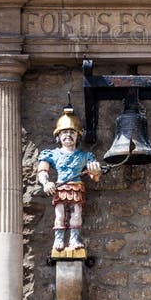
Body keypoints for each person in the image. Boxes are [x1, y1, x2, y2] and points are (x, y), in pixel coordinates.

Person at [37, 105, 101, 252]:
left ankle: (74, 239)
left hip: (77, 187)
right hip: (60, 187)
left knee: (76, 215)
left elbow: (93, 176)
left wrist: (95, 171)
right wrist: (46, 183)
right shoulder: (51, 154)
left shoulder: (85, 156)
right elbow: (42, 171)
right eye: (64, 132)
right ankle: (58, 239)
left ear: (78, 135)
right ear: (58, 136)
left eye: (72, 132)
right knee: (59, 215)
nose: (68, 135)